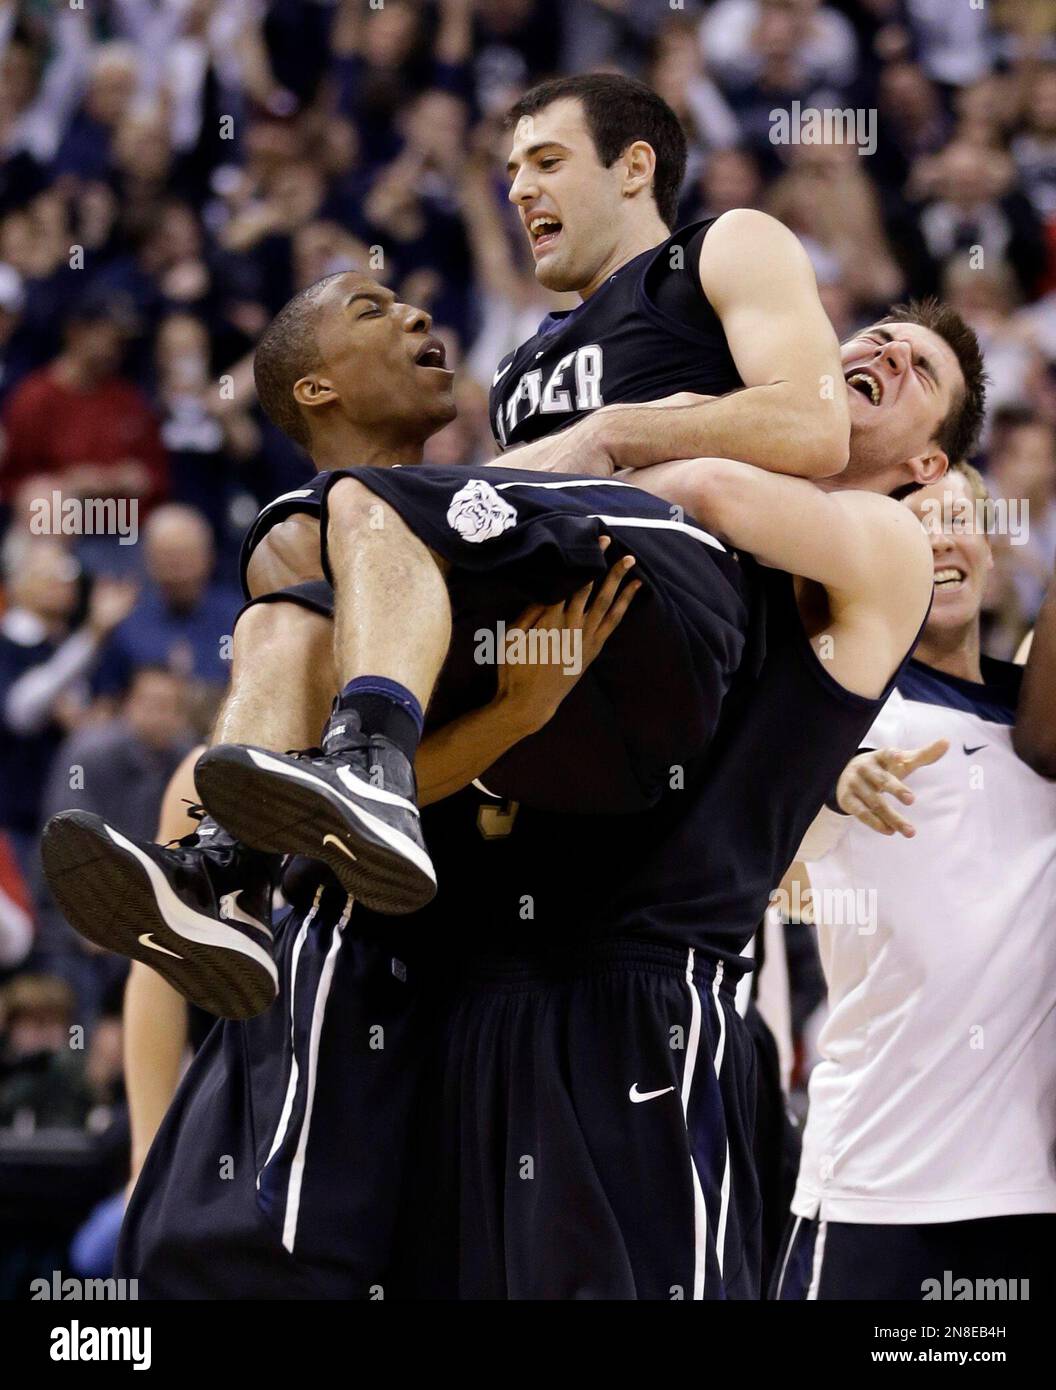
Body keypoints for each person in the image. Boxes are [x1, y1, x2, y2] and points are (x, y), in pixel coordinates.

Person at [772, 466, 1056, 1301]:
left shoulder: (1039, 726)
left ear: (993, 551)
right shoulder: (840, 712)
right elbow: (784, 829)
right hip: (877, 1191)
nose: (940, 538)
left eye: (959, 517)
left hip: (1026, 1192)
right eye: (912, 525)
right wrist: (836, 779)